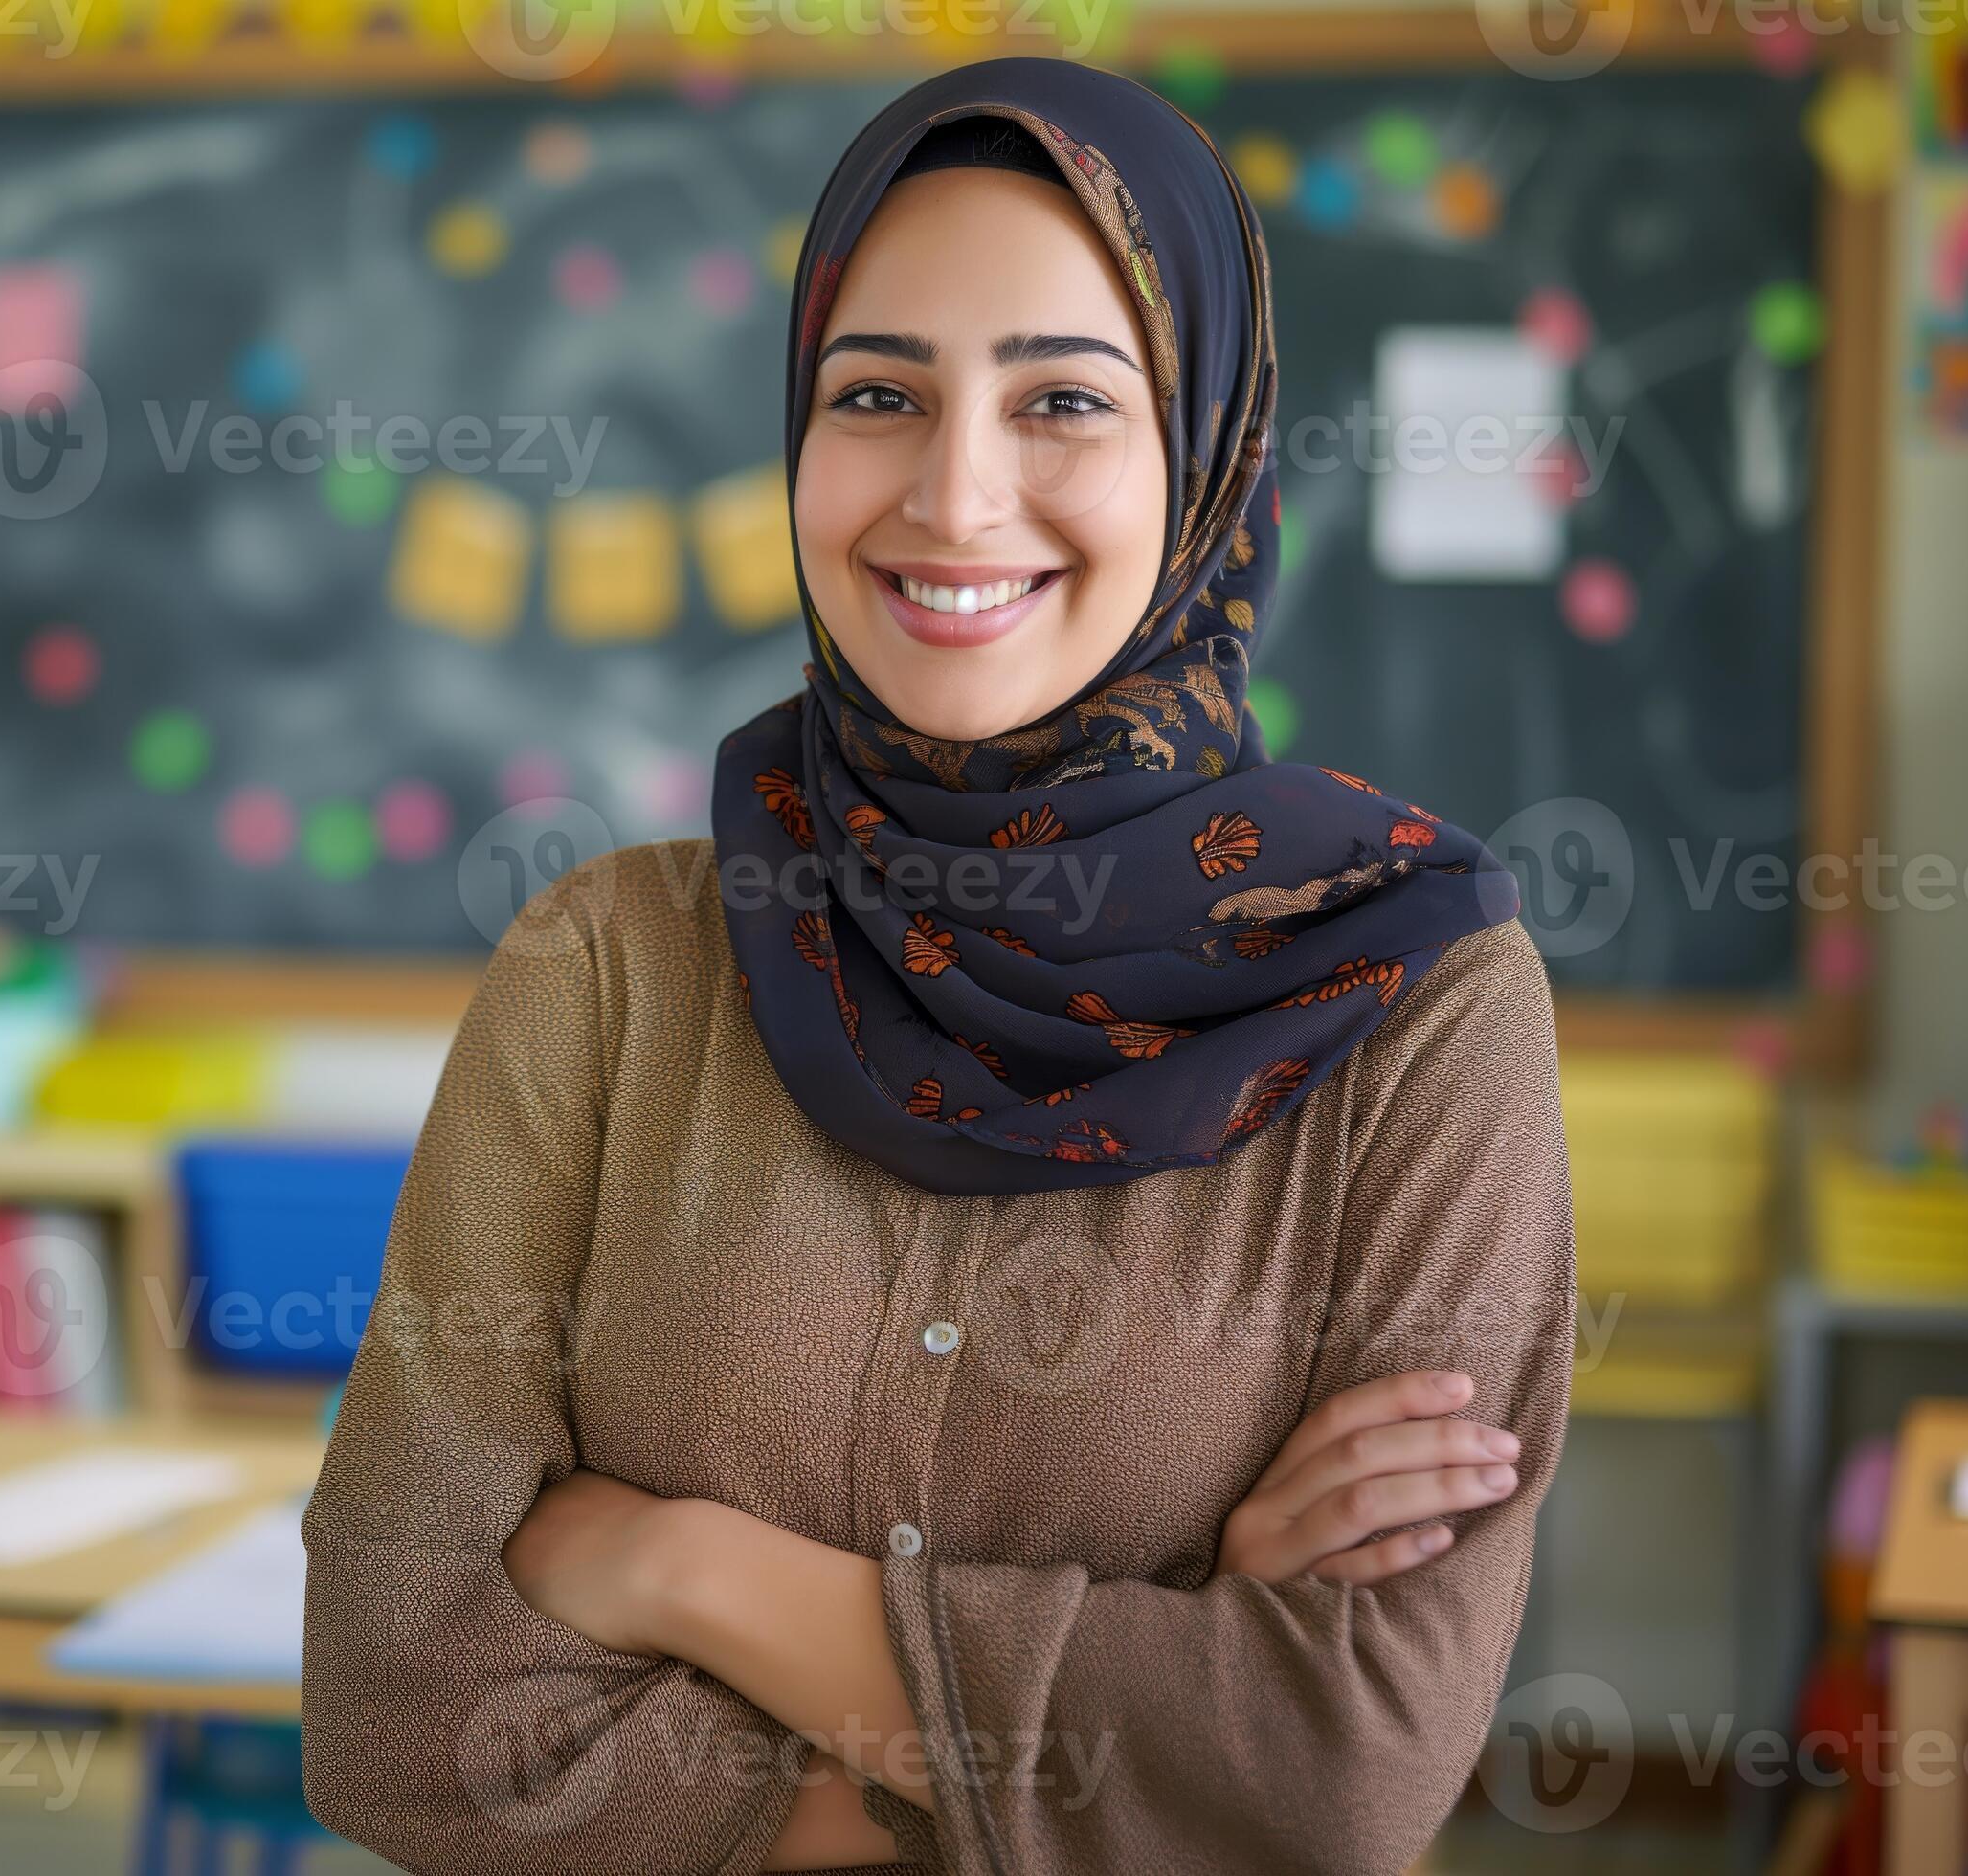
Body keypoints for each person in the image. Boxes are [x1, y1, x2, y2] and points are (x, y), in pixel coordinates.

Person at [299, 56, 1574, 1876]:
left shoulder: (1414, 999)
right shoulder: (604, 971)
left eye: (1064, 400)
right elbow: (390, 1700)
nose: (955, 497)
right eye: (877, 395)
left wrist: (674, 1565)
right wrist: (1133, 1731)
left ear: (1203, 452)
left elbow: (1337, 1775)